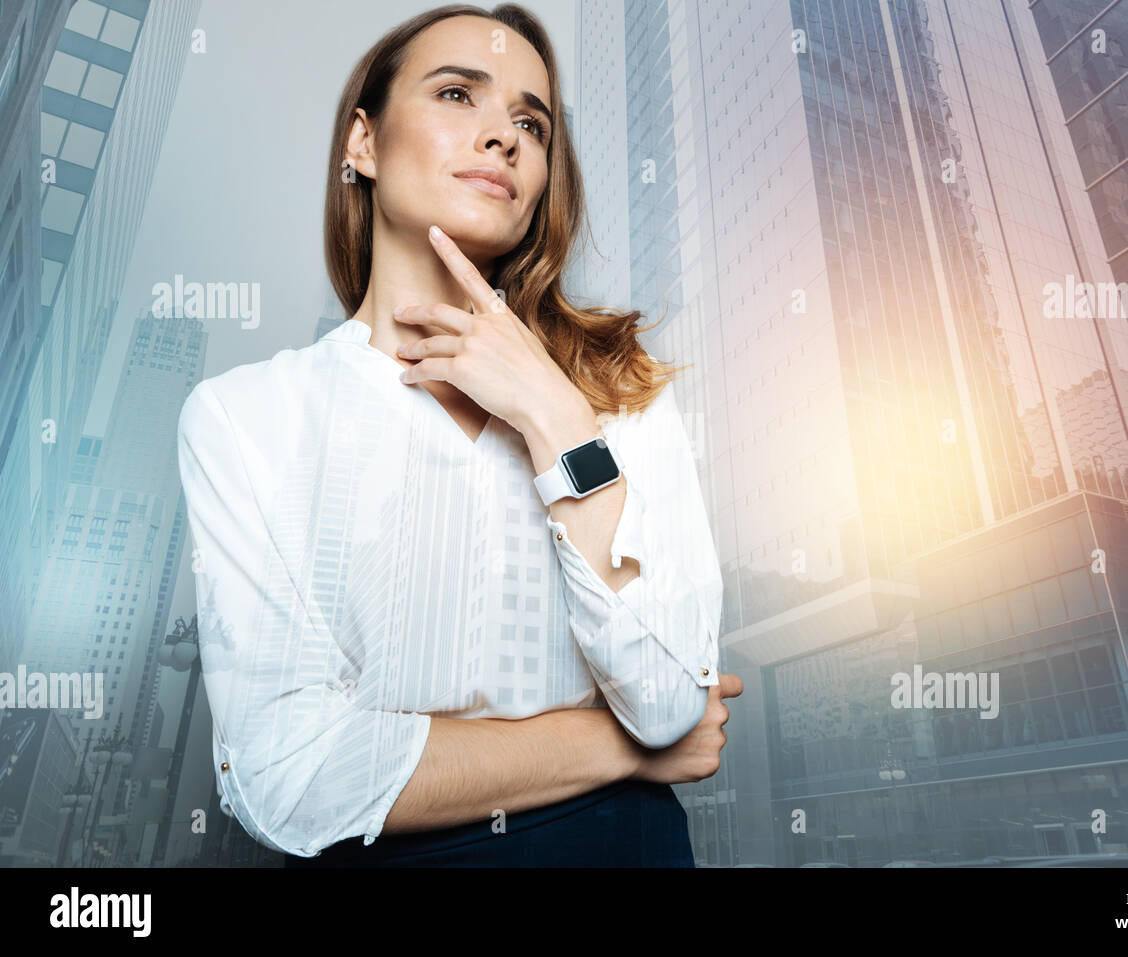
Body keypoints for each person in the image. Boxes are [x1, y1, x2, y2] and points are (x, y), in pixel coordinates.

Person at [176, 3, 742, 868]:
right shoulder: (247, 417)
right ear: (361, 144)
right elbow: (288, 774)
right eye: (456, 94)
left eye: (530, 122)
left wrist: (554, 418)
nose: (504, 137)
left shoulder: (621, 391)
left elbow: (668, 696)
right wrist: (624, 750)